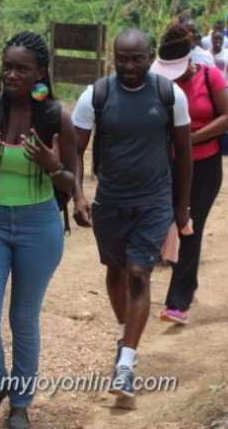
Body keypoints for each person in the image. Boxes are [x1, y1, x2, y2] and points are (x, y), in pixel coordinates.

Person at [0, 32, 77, 429]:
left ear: (40, 72)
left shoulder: (57, 117)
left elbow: (71, 184)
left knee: (23, 318)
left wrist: (52, 164)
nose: (12, 75)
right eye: (8, 67)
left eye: (22, 69)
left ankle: (20, 402)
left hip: (39, 226)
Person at [71, 29, 193, 397]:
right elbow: (75, 151)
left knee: (139, 273)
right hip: (110, 202)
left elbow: (184, 154)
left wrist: (181, 207)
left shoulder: (169, 94)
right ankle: (126, 332)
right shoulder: (96, 96)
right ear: (112, 57)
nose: (128, 66)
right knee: (115, 271)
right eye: (121, 58)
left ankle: (126, 362)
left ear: (149, 56)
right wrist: (78, 195)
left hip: (154, 201)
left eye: (136, 58)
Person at [150, 24, 228, 325]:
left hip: (204, 165)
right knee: (159, 224)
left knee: (189, 227)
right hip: (164, 165)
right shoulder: (156, 80)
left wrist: (189, 139)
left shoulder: (210, 76)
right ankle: (178, 285)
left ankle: (178, 301)